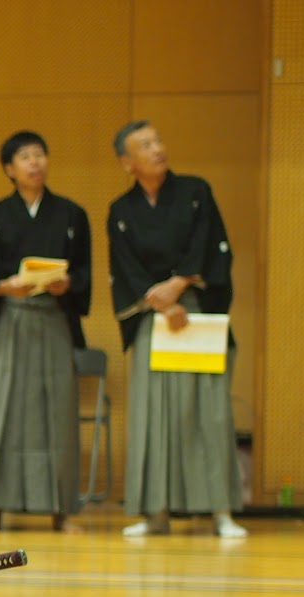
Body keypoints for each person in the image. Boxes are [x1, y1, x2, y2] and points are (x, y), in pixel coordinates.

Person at [108, 121, 246, 539]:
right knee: (154, 415)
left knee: (209, 412)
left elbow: (211, 244)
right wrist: (160, 303)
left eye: (158, 140)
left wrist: (180, 284)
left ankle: (221, 510)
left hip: (196, 311)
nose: (158, 149)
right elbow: (125, 268)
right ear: (127, 162)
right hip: (153, 317)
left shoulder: (195, 192)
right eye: (145, 145)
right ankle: (156, 513)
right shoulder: (121, 210)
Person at [0, 131, 92, 533]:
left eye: (40, 154)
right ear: (9, 169)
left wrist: (68, 284)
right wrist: (2, 286)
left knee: (57, 413)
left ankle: (60, 511)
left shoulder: (71, 215)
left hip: (52, 319)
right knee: (0, 413)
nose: (36, 162)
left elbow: (83, 271)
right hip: (8, 320)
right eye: (26, 157)